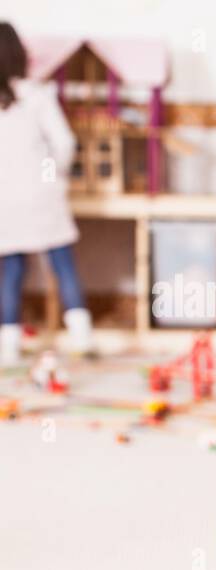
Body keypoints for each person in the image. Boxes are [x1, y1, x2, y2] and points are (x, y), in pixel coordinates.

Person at [0, 21, 94, 367]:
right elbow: (65, 142)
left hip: (4, 199)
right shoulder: (37, 95)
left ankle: (7, 345)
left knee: (11, 270)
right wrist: (57, 174)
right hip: (41, 194)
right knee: (62, 264)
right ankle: (82, 337)